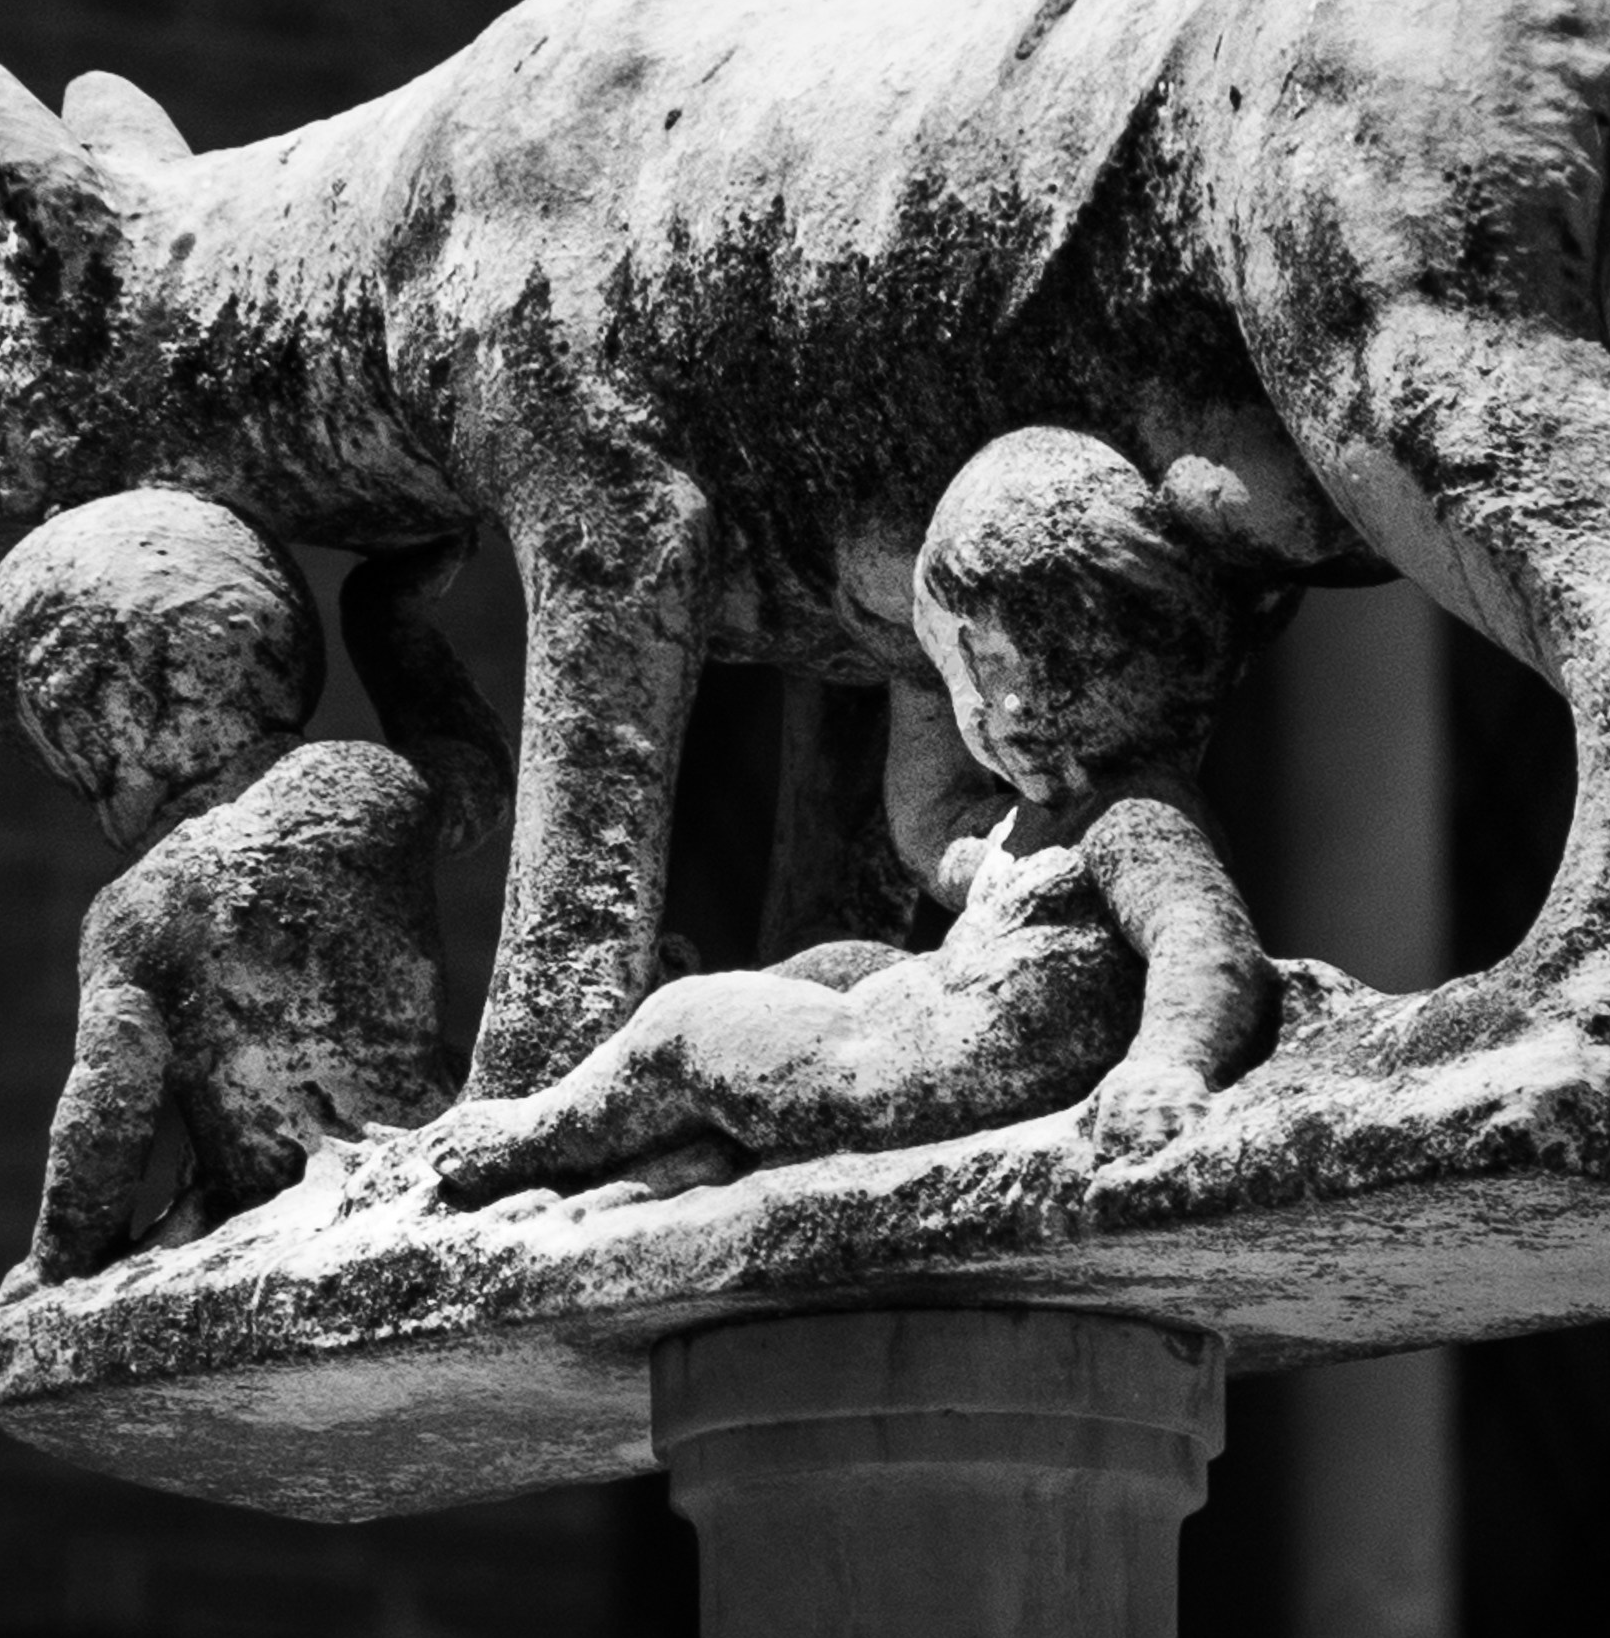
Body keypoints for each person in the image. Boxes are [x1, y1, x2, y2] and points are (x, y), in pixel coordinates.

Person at [427, 424, 1274, 1204]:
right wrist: (908, 666)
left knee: (687, 1028)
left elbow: (1202, 939)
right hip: (908, 1039)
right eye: (954, 677)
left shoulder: (1136, 820)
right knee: (836, 964)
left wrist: (1170, 1062)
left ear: (1080, 647)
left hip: (902, 1075)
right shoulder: (1032, 829)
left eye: (982, 660)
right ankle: (663, 1146)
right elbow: (932, 827)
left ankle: (539, 1133)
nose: (972, 711)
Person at [0, 490, 489, 1277]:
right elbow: (475, 772)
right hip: (432, 1153)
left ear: (99, 724)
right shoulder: (360, 785)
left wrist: (55, 1264)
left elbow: (107, 1113)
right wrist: (384, 620)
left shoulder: (133, 912)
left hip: (265, 1218)